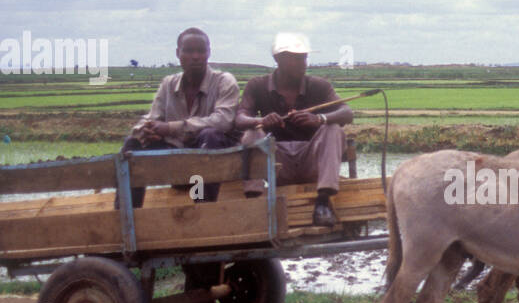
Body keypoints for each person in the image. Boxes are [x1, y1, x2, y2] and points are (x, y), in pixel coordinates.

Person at [236, 32, 353, 227]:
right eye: (296, 59)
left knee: (332, 129)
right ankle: (254, 201)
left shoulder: (319, 86)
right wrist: (261, 121)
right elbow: (240, 118)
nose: (303, 63)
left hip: (311, 160)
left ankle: (323, 201)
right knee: (251, 133)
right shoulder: (257, 85)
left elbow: (346, 113)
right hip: (276, 162)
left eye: (304, 58)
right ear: (278, 60)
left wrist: (318, 119)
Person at [118, 27, 239, 208]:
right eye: (189, 51)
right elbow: (153, 117)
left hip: (214, 157)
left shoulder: (224, 81)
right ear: (178, 53)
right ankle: (126, 216)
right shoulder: (169, 84)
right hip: (178, 156)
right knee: (133, 144)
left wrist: (170, 128)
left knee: (210, 135)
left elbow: (223, 121)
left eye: (201, 51)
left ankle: (203, 208)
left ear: (208, 53)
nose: (195, 56)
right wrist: (146, 129)